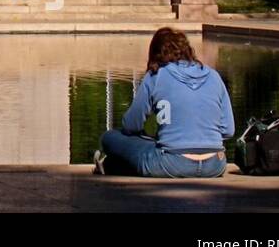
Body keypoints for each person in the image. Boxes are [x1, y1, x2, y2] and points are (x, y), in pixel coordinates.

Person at [96, 27, 233, 178]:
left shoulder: (156, 76)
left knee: (110, 138)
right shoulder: (214, 76)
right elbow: (228, 130)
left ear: (155, 53)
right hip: (215, 164)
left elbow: (131, 125)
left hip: (171, 162)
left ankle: (111, 165)